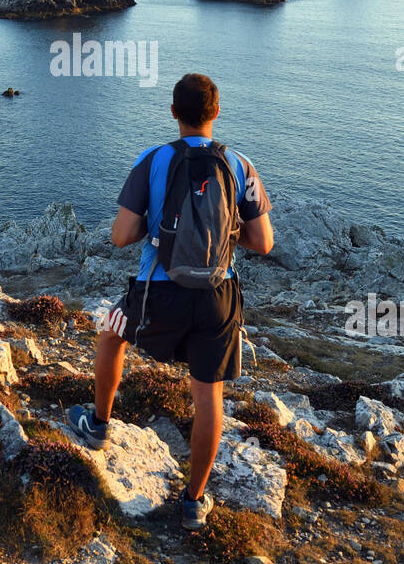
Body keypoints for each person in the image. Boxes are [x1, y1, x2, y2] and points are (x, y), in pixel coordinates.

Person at [68, 72, 274, 529]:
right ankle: (194, 501)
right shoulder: (241, 165)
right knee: (208, 396)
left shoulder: (152, 160)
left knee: (110, 333)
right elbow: (264, 242)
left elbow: (121, 236)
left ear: (173, 112)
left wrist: (156, 230)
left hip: (157, 292)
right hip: (218, 298)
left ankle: (98, 425)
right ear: (217, 113)